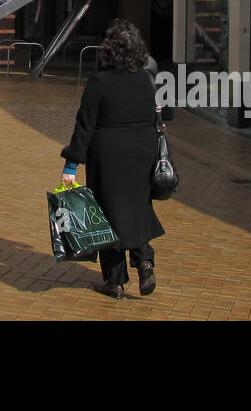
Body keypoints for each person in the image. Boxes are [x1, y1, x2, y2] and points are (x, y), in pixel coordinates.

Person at [60, 20, 169, 300]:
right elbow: (166, 115)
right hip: (143, 152)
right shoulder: (146, 79)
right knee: (137, 206)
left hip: (108, 154)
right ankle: (144, 260)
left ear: (107, 49)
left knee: (107, 215)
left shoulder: (99, 82)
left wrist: (71, 165)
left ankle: (115, 281)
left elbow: (84, 126)